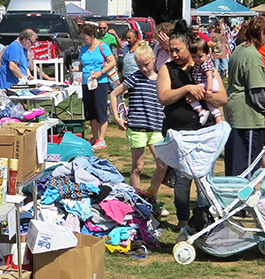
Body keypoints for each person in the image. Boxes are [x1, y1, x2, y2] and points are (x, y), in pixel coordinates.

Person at [157, 20, 227, 230]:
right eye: (171, 51)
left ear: (189, 48)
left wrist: (205, 94)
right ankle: (183, 219)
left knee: (205, 177)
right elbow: (163, 96)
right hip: (179, 134)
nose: (174, 55)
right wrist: (187, 88)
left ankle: (205, 218)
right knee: (181, 181)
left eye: (177, 50)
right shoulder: (167, 69)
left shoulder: (206, 67)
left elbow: (222, 98)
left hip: (205, 133)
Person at [109, 43, 168, 206]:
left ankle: (150, 195)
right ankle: (135, 200)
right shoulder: (134, 78)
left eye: (146, 64)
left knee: (162, 165)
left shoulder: (161, 80)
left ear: (154, 59)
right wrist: (117, 117)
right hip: (137, 128)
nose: (143, 68)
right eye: (139, 65)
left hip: (156, 127)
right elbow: (114, 94)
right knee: (138, 167)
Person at [224, 16, 265, 176]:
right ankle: (242, 200)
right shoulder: (252, 55)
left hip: (235, 113)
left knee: (235, 163)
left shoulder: (240, 48)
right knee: (247, 167)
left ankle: (232, 197)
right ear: (262, 33)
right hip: (247, 118)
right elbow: (256, 92)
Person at [76, 23, 116, 150]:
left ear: (92, 35)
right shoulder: (83, 49)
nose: (83, 40)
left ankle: (102, 139)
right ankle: (94, 137)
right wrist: (75, 69)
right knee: (90, 111)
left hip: (101, 81)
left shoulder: (102, 46)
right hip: (86, 82)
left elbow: (112, 62)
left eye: (85, 37)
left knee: (101, 109)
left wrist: (101, 72)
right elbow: (82, 64)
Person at [188, 37, 222, 125]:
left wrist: (209, 90)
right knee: (211, 105)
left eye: (200, 56)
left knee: (191, 95)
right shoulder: (198, 63)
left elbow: (209, 76)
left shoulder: (206, 63)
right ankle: (218, 120)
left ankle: (200, 111)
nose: (197, 59)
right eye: (194, 57)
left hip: (209, 84)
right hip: (206, 84)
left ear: (207, 54)